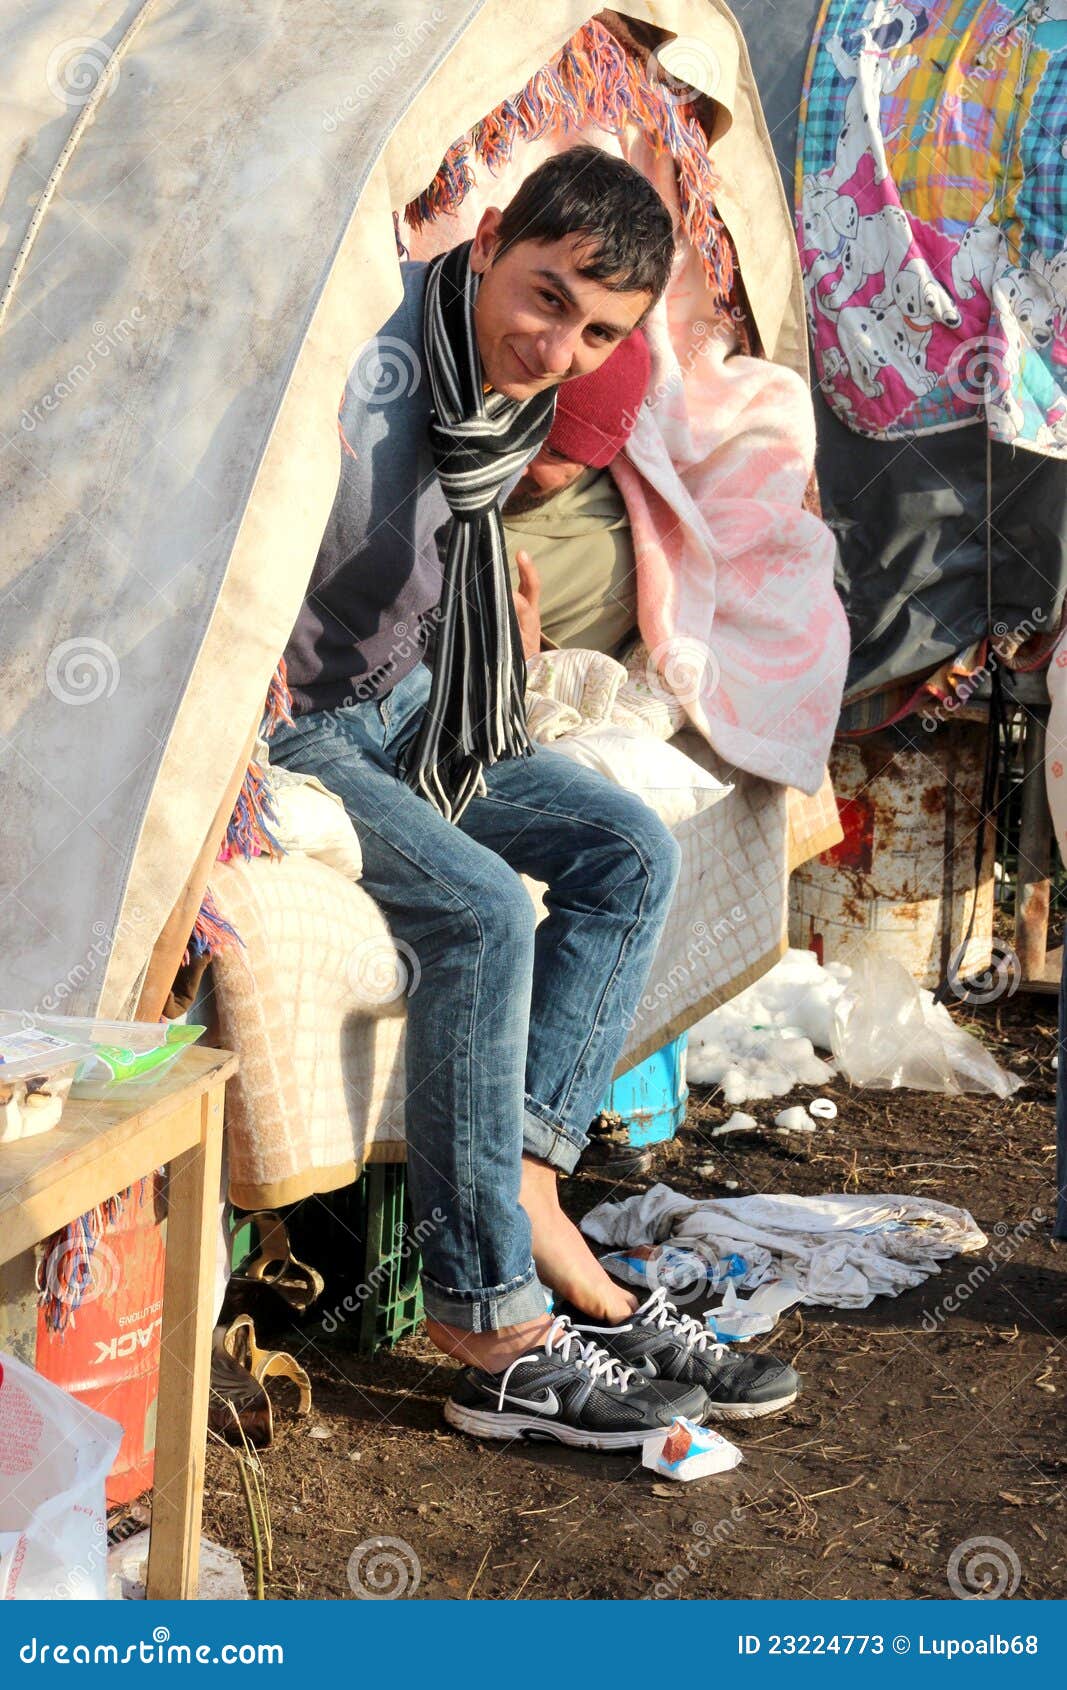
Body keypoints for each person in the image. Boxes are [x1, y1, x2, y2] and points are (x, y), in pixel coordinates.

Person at [271, 146, 800, 1446]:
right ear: (492, 235)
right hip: (302, 719)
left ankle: (528, 1187)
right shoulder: (357, 362)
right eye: (546, 296)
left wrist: (484, 589)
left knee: (630, 849)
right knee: (478, 911)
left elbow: (453, 522)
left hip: (414, 694)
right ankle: (486, 1321)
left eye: (597, 331)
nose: (557, 348)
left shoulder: (502, 389)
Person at [504, 328, 649, 662]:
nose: (519, 465)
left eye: (553, 451)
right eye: (516, 428)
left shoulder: (607, 572)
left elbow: (568, 687)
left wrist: (529, 664)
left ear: (589, 464)